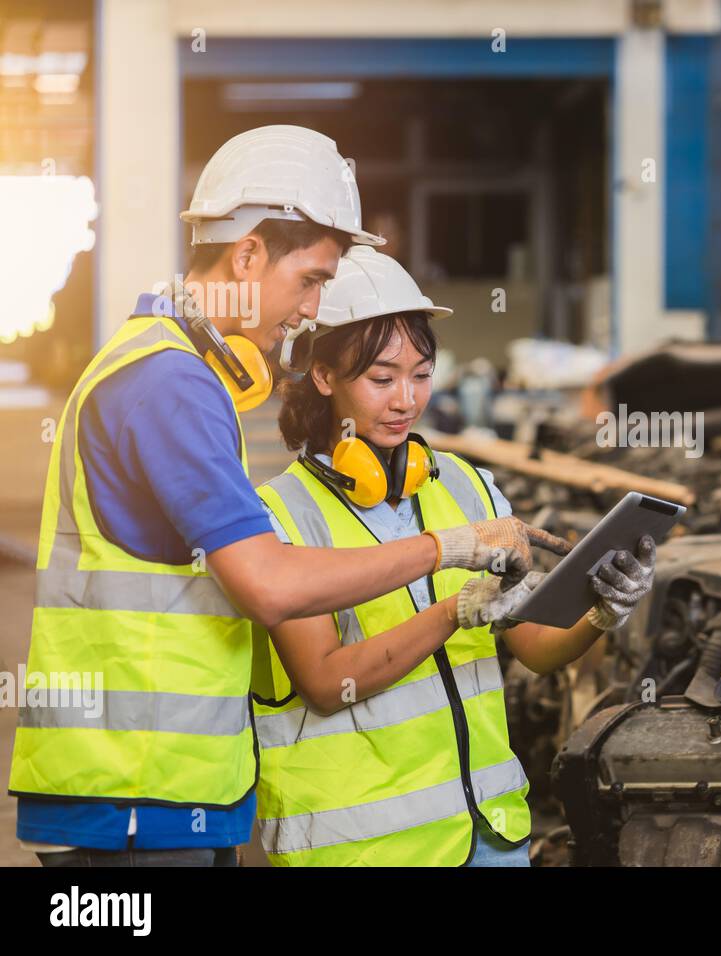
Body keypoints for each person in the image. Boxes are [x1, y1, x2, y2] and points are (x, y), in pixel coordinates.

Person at [9, 126, 566, 867]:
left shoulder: (169, 373)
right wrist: (451, 549)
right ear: (247, 254)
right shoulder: (170, 382)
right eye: (310, 279)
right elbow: (268, 585)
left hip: (160, 791)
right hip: (135, 796)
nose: (310, 310)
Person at [253, 246, 656, 866]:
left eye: (421, 373)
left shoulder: (465, 487)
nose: (406, 400)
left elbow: (535, 649)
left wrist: (601, 612)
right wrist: (453, 613)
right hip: (363, 850)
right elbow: (329, 683)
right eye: (382, 378)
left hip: (488, 836)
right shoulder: (278, 517)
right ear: (325, 376)